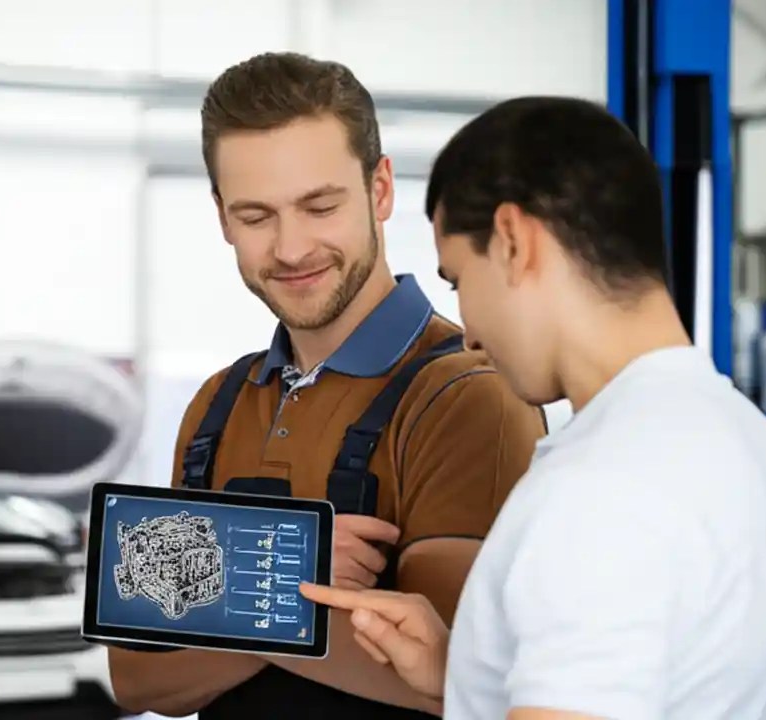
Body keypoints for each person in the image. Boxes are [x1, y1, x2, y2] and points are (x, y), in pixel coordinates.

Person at [301, 95, 766, 719]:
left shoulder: (603, 489)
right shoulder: (749, 443)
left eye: (460, 281)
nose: (471, 333)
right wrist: (465, 676)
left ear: (513, 240)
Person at [105, 52, 547, 719]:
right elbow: (139, 680)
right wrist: (285, 570)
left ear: (380, 191)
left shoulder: (470, 395)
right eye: (256, 216)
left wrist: (231, 578)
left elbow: (448, 682)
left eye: (319, 206)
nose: (290, 248)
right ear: (222, 217)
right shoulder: (216, 407)